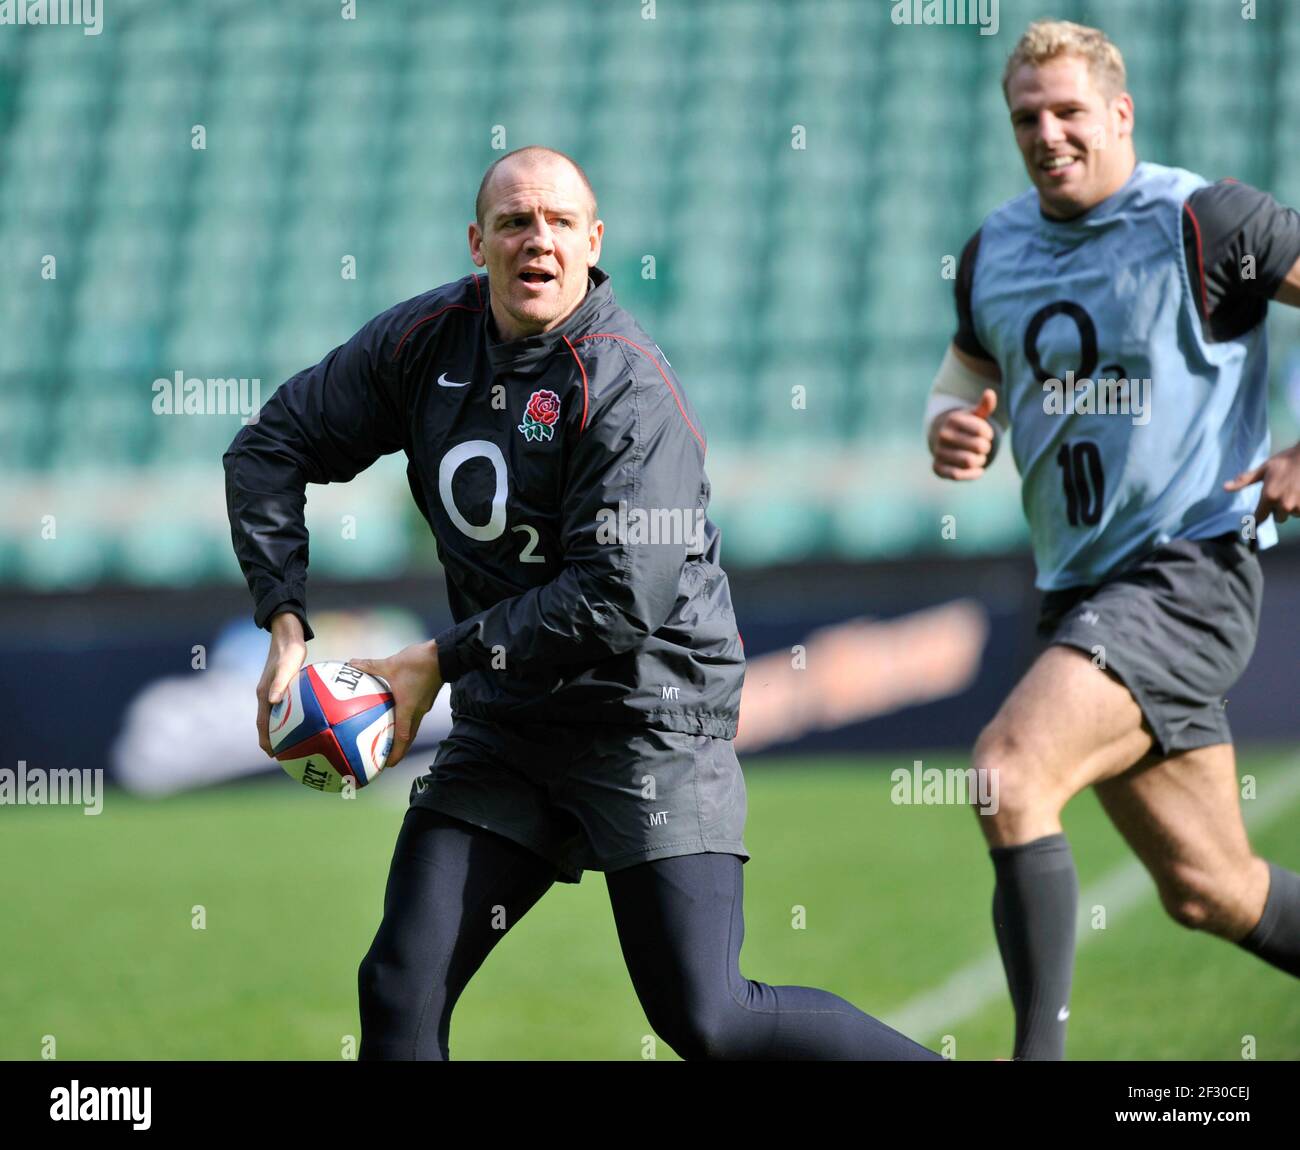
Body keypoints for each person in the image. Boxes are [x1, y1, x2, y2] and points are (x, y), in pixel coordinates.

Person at [226, 145, 938, 1061]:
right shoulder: (423, 342)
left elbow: (619, 597)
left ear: (594, 242)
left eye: (561, 222)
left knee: (705, 1018)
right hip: (510, 728)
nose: (539, 241)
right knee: (399, 986)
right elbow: (270, 448)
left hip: (649, 717)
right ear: (476, 241)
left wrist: (435, 662)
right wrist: (285, 625)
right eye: (516, 222)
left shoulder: (628, 385)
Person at [925, 19, 1300, 1061]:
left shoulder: (1203, 218)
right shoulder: (993, 248)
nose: (1046, 134)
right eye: (1025, 119)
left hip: (1186, 570)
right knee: (1210, 888)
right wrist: (950, 424)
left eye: (1067, 112)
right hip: (1076, 591)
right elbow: (965, 374)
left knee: (1007, 771)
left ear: (1119, 115)